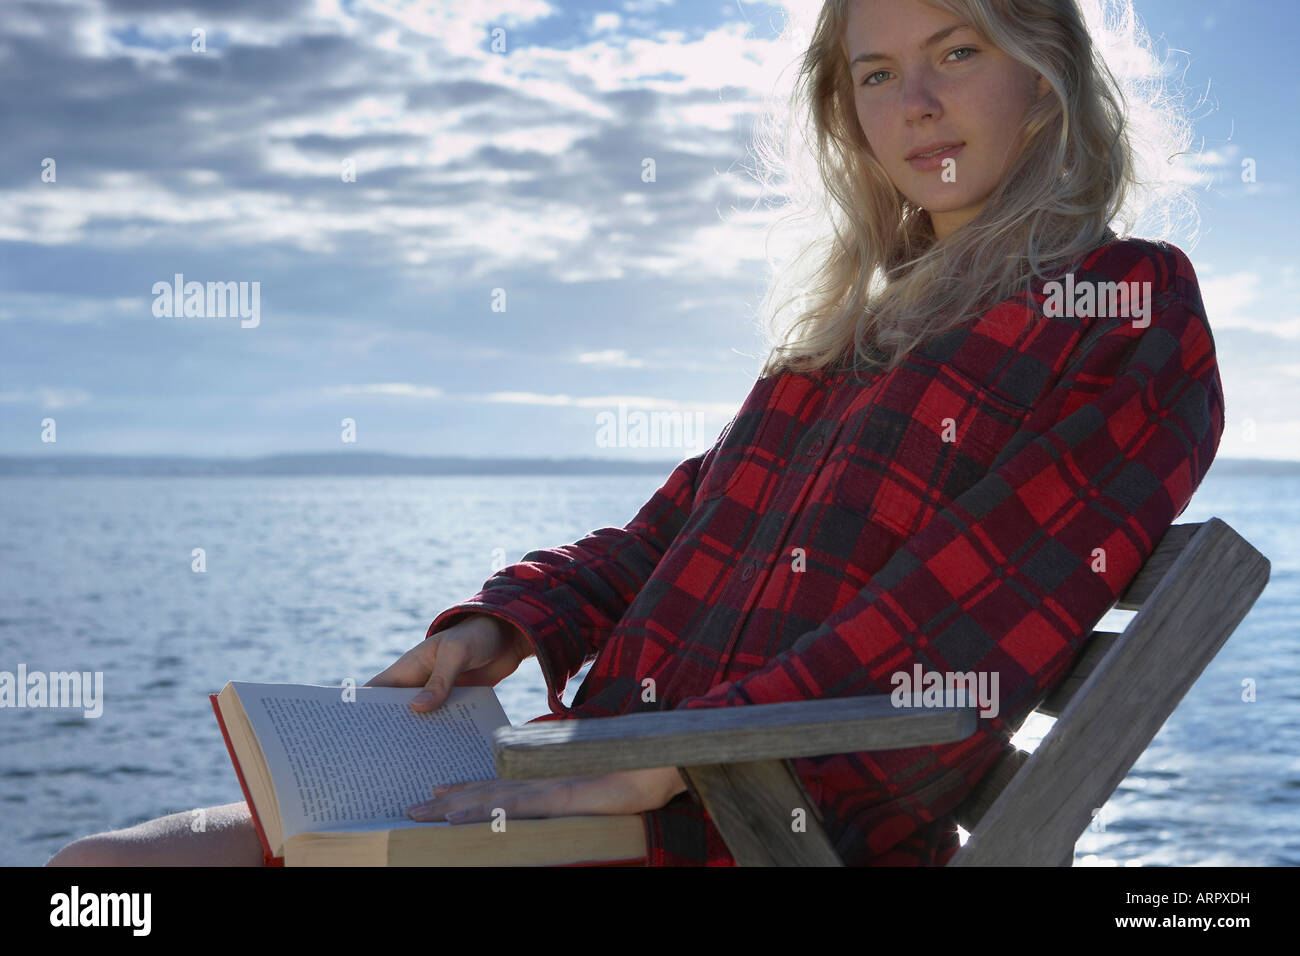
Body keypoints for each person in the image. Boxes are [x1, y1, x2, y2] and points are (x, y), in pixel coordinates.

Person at [47, 0, 1222, 866]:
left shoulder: (1121, 305)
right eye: (874, 74)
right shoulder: (845, 342)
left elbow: (975, 605)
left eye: (956, 52)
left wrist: (672, 764)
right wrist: (507, 619)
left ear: (1050, 70)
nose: (914, 104)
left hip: (754, 825)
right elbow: (667, 535)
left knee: (106, 882)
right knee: (95, 878)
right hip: (608, 778)